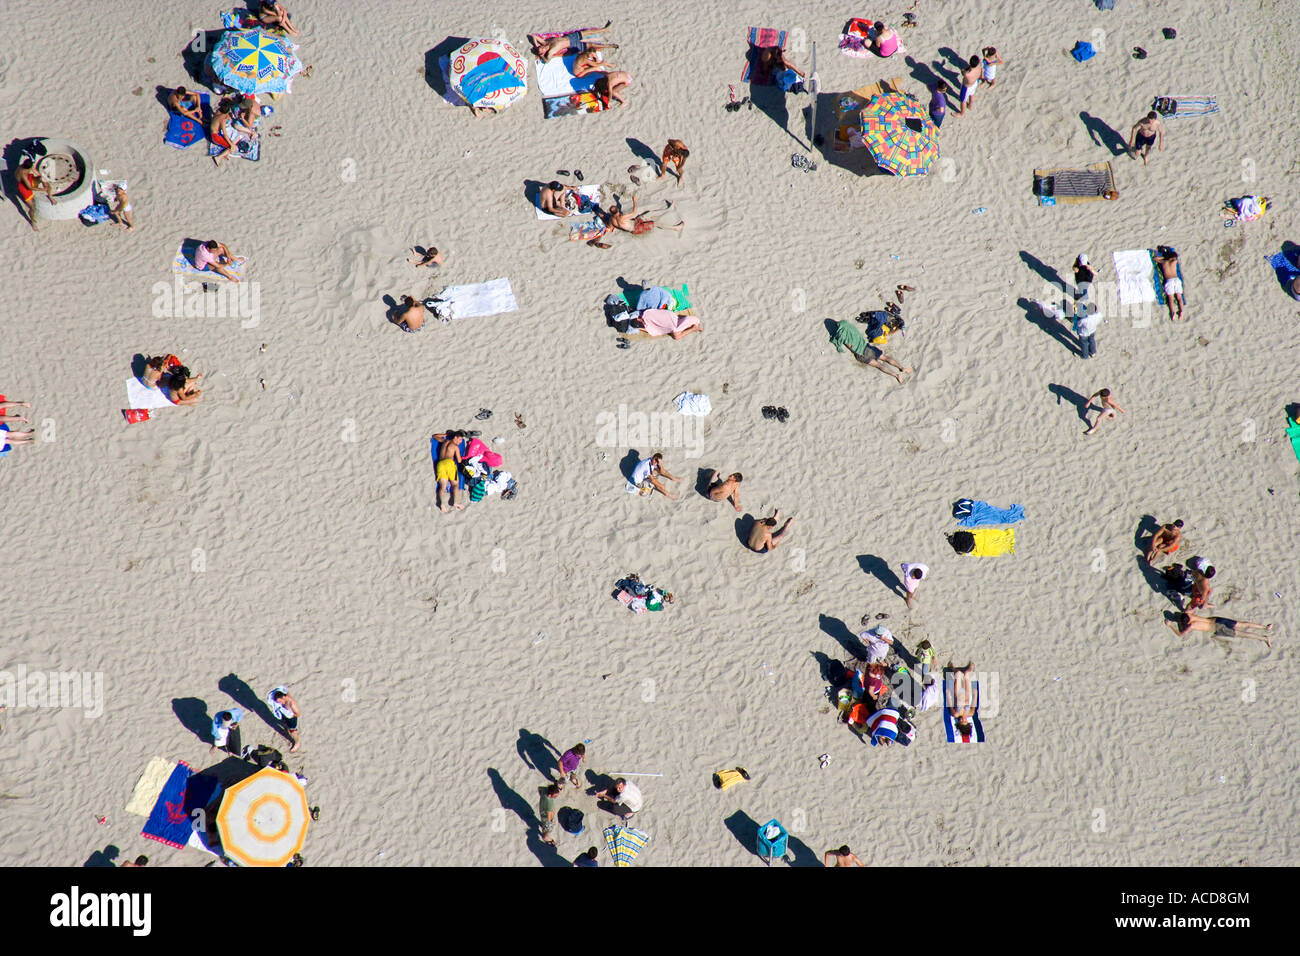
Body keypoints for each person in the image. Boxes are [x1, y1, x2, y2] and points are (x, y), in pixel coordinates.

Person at [831, 319, 912, 383]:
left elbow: (842, 346)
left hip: (861, 354)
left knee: (879, 365)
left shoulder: (842, 336)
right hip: (867, 347)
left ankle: (896, 375)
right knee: (885, 358)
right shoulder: (851, 327)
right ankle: (902, 368)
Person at [1167, 611, 1272, 647]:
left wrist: (1170, 625)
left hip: (1217, 628)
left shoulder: (1192, 626)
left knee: (1242, 634)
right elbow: (1189, 610)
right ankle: (1265, 627)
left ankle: (1264, 638)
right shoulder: (1190, 615)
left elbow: (1180, 635)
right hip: (1217, 620)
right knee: (1243, 624)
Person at [528, 22, 616, 62]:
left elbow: (534, 36)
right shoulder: (551, 51)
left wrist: (536, 46)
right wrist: (542, 56)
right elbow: (547, 61)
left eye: (540, 47)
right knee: (592, 45)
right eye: (541, 50)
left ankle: (605, 29)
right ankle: (610, 46)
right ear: (543, 52)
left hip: (570, 37)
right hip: (573, 44)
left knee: (588, 32)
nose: (541, 48)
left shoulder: (544, 42)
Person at [602, 195, 684, 236]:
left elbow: (609, 227)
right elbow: (634, 212)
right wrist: (634, 201)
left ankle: (668, 209)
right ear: (618, 210)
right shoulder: (622, 217)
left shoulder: (611, 220)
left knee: (649, 213)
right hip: (636, 228)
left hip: (635, 222)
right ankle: (676, 228)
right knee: (655, 223)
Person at [16, 157, 55, 231]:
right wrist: (42, 189)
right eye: (31, 167)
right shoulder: (23, 174)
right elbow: (29, 187)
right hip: (24, 187)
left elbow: (36, 172)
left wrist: (42, 178)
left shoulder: (27, 167)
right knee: (32, 208)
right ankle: (33, 222)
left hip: (29, 179)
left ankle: (50, 196)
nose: (32, 168)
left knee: (43, 180)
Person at [432, 430, 465, 512]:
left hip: (440, 464)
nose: (461, 442)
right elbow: (459, 460)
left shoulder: (445, 441)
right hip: (449, 463)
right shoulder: (455, 447)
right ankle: (456, 503)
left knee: (442, 486)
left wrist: (445, 435)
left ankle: (442, 504)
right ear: (455, 438)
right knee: (455, 485)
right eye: (460, 439)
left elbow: (434, 436)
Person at [267, 686, 301, 753]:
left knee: (292, 731)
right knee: (285, 724)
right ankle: (287, 728)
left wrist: (290, 714)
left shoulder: (292, 703)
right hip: (285, 715)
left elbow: (298, 714)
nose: (280, 703)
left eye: (280, 701)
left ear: (283, 697)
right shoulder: (284, 695)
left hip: (291, 718)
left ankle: (297, 743)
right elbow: (284, 689)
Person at [630, 308, 700, 340]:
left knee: (676, 337)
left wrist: (640, 327)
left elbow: (652, 331)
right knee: (676, 322)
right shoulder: (647, 312)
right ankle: (685, 320)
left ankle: (693, 328)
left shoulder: (648, 324)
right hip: (671, 315)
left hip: (673, 323)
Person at [1154, 250, 1185, 320]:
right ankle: (1181, 311)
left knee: (1171, 298)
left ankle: (1172, 312)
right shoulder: (1174, 261)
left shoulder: (1164, 262)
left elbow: (1155, 258)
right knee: (1179, 297)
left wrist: (1163, 258)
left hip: (1169, 281)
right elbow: (1175, 256)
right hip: (1176, 280)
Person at [949, 663, 977, 736]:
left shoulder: (955, 714)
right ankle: (965, 671)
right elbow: (974, 704)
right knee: (966, 674)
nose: (963, 719)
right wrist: (975, 695)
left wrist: (948, 695)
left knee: (958, 674)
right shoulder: (970, 713)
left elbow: (950, 705)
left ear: (958, 723)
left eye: (962, 721)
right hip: (967, 694)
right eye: (965, 721)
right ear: (968, 722)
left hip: (957, 694)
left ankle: (953, 669)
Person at [208, 101, 237, 167]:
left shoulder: (218, 112)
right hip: (215, 136)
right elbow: (225, 134)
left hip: (213, 131)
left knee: (231, 142)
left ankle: (225, 154)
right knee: (232, 147)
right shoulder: (223, 119)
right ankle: (218, 157)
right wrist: (231, 144)